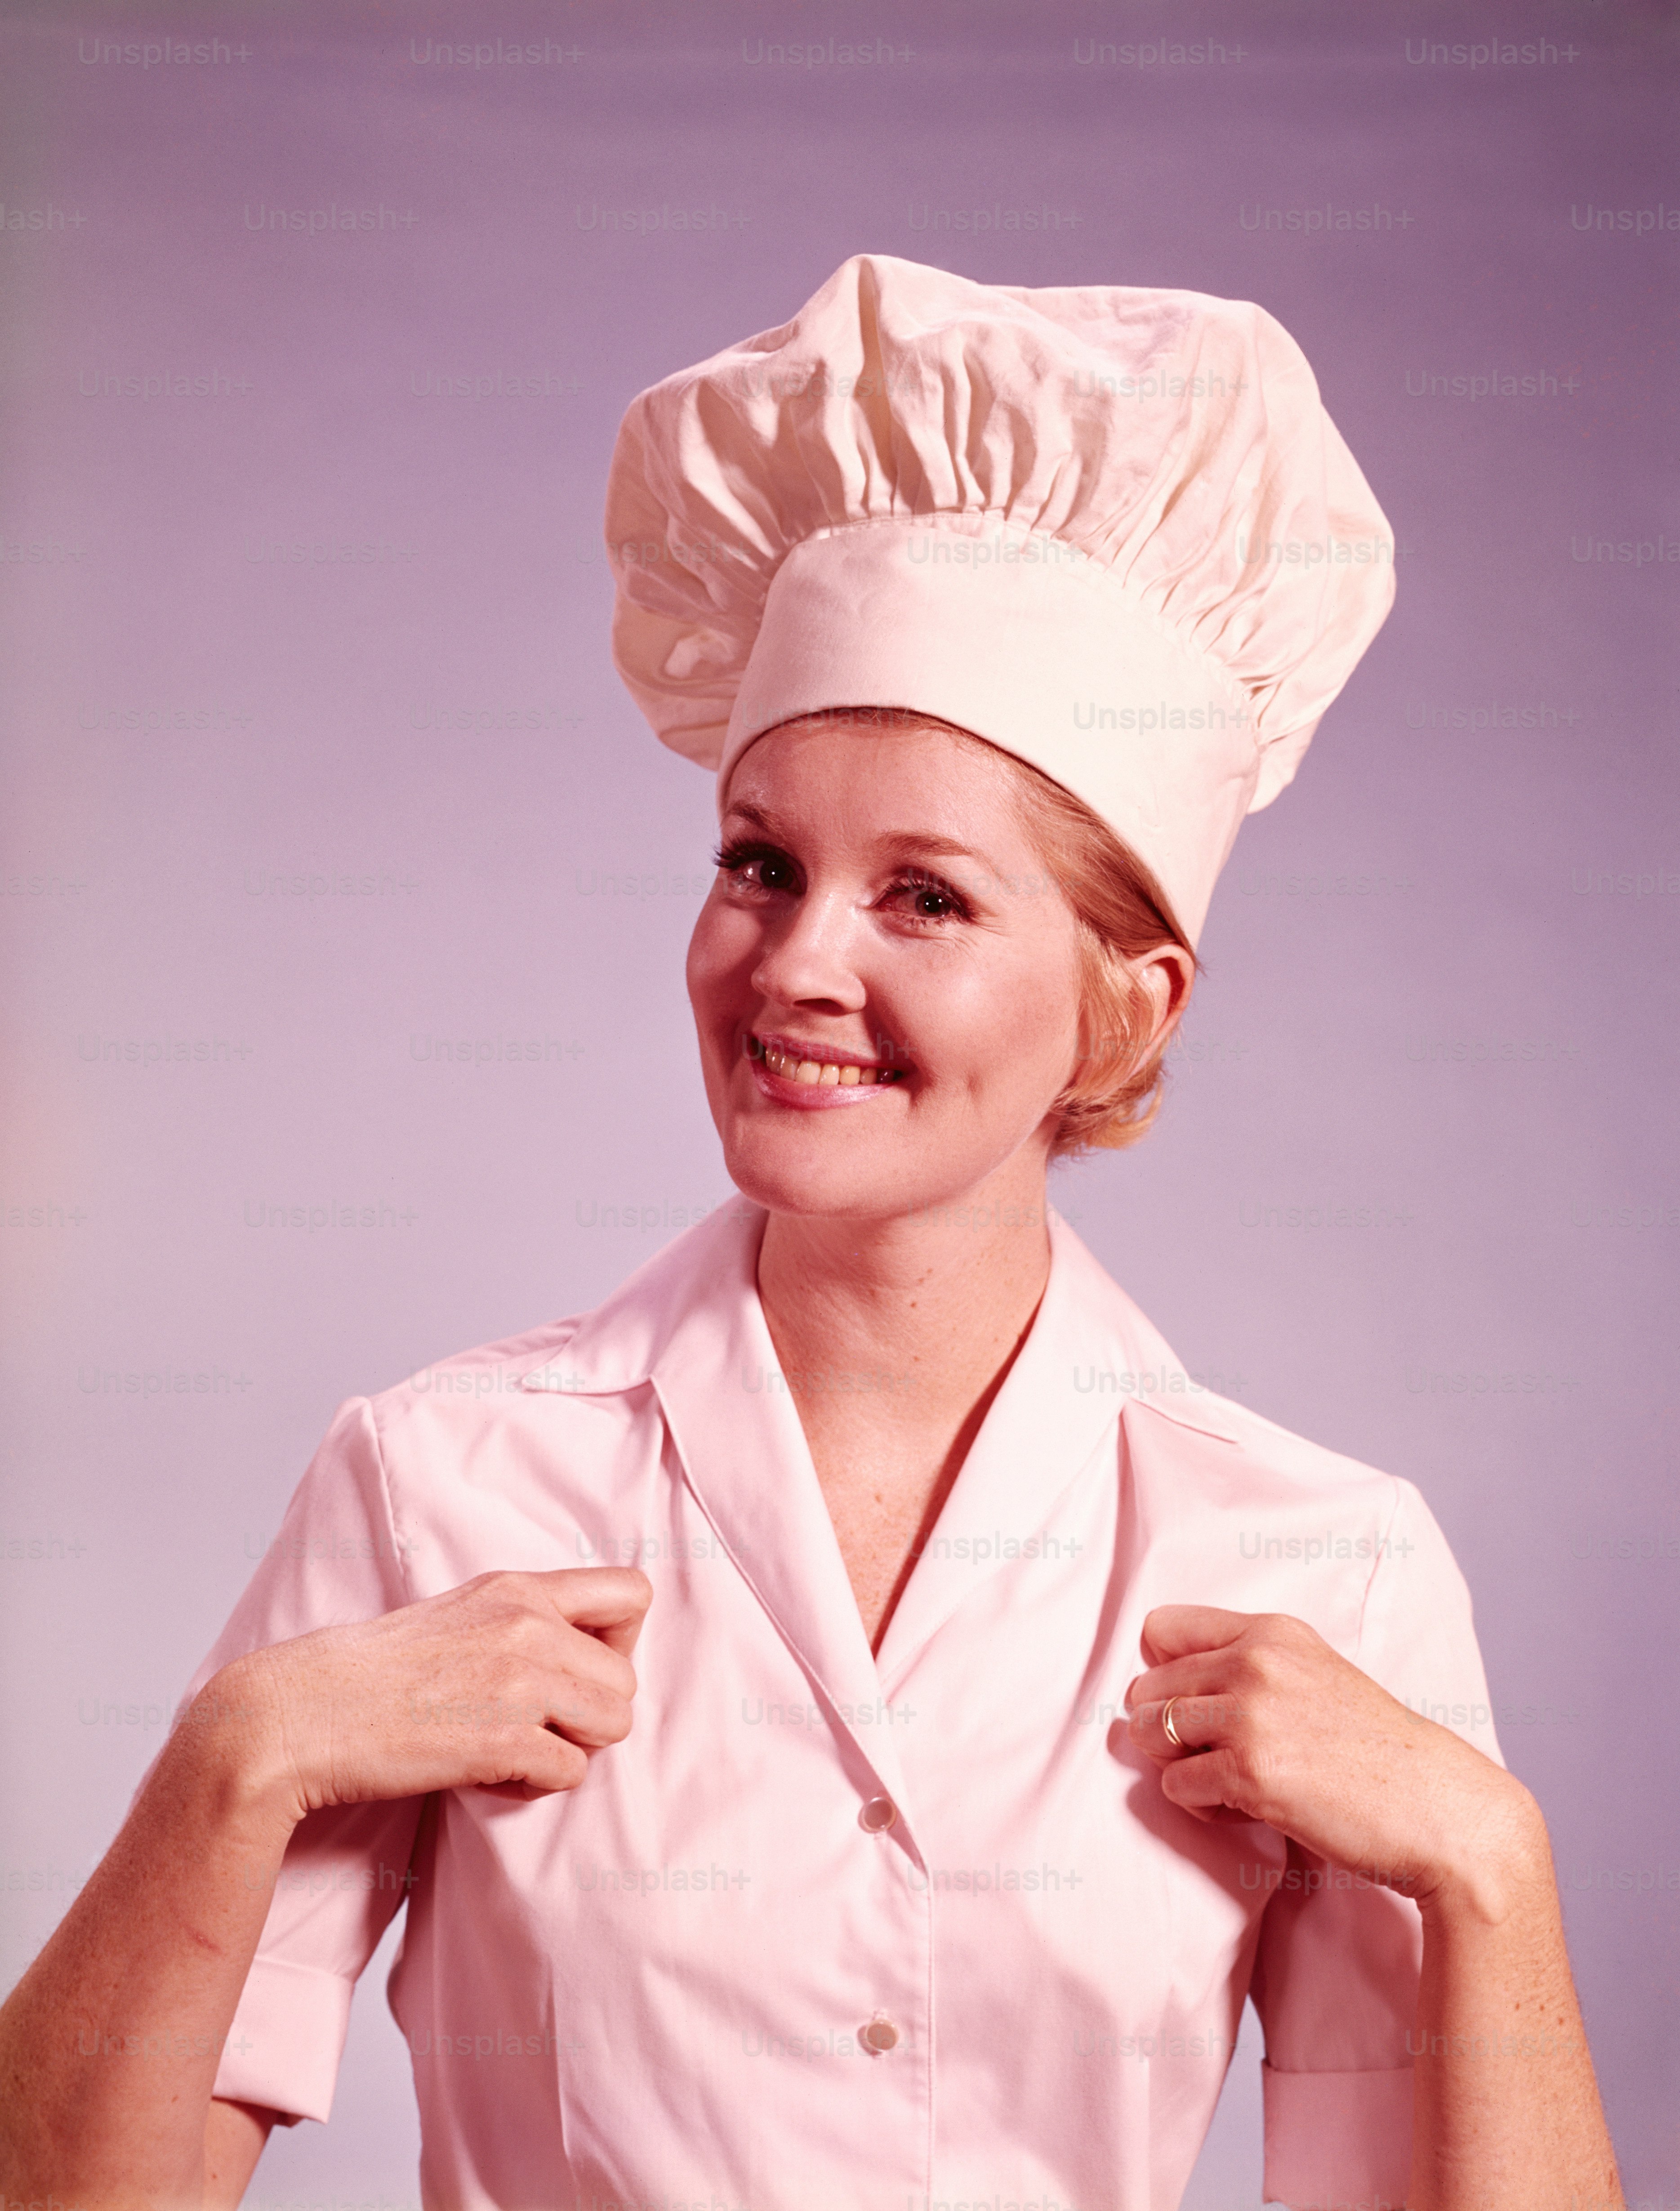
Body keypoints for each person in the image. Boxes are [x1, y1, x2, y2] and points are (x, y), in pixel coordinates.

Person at [0, 255, 1621, 2211]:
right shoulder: (442, 1479)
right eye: (757, 865)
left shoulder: (1309, 1562)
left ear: (1130, 1002)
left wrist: (1491, 1864)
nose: (793, 968)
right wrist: (235, 1757)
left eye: (921, 898)